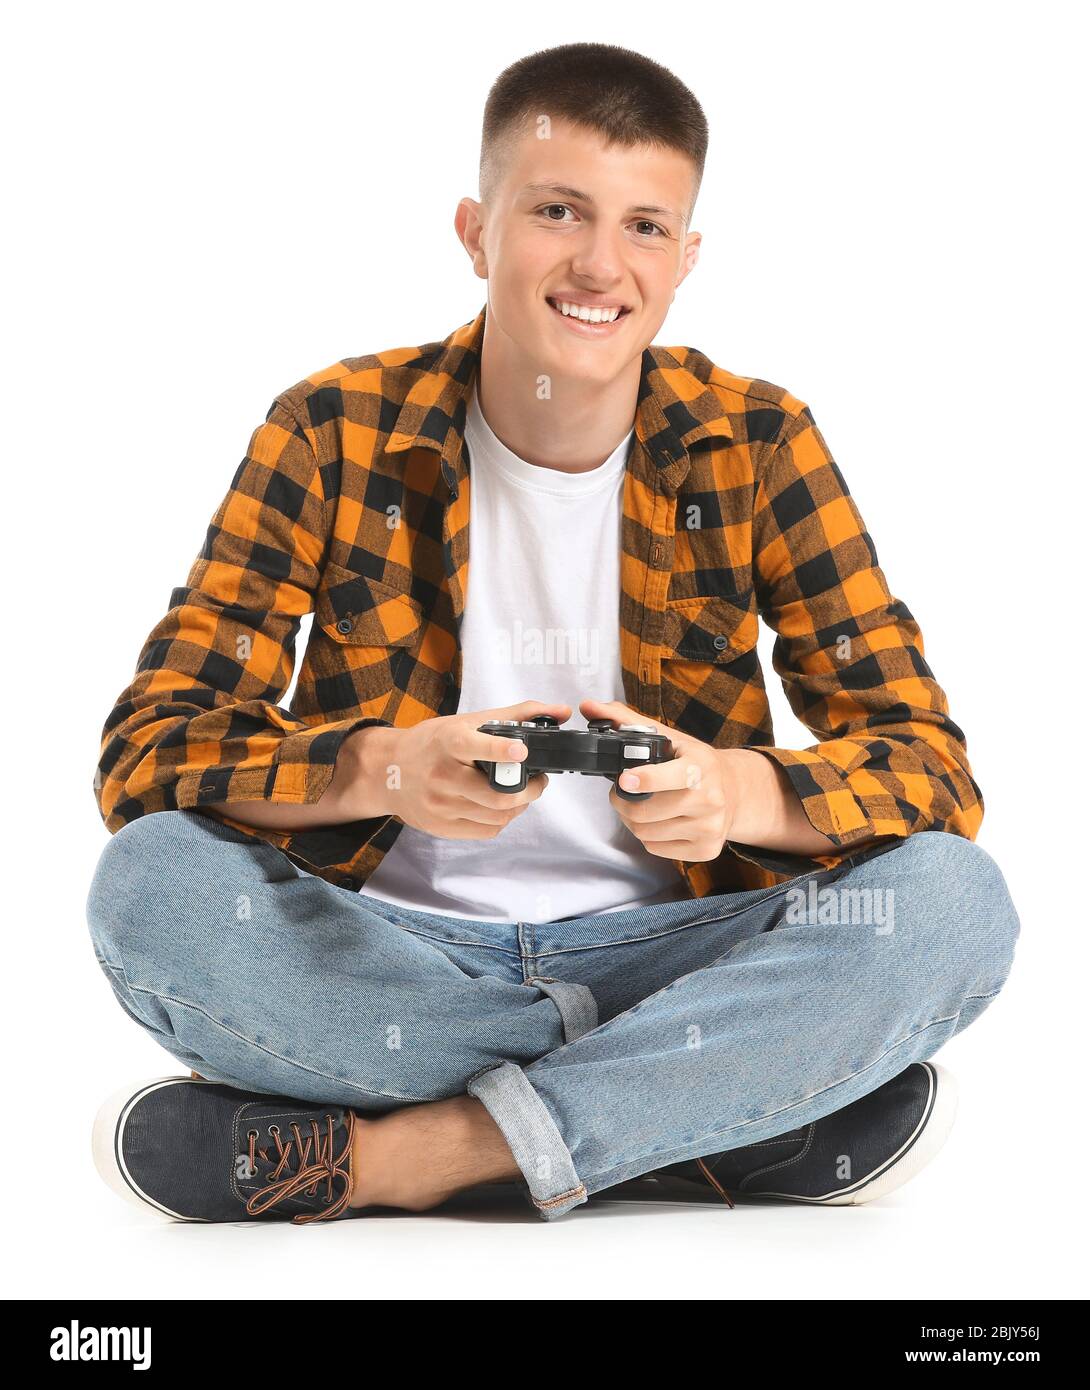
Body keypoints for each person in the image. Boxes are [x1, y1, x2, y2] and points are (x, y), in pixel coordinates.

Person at [86, 41, 1020, 1225]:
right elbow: (148, 753)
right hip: (395, 955)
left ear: (684, 261)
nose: (598, 264)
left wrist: (735, 792)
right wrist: (387, 767)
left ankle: (408, 1157)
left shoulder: (760, 439)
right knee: (149, 886)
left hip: (677, 951)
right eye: (557, 211)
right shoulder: (332, 428)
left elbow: (931, 769)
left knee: (950, 901)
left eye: (642, 227)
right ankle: (706, 1117)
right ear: (477, 232)